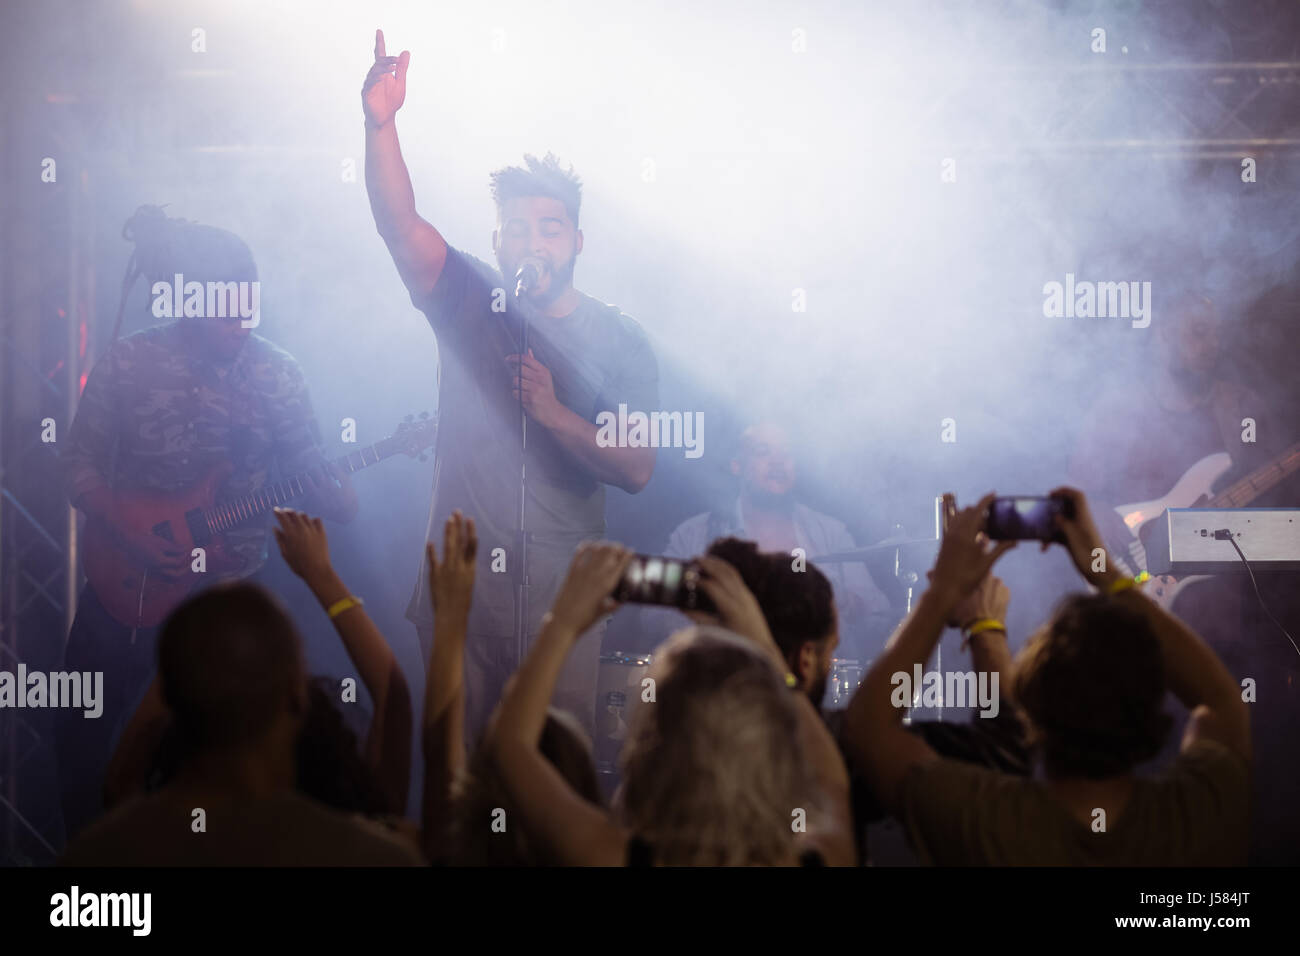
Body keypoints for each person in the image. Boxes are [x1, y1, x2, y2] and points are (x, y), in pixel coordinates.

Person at [362, 29, 657, 743]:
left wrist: (554, 414)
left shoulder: (620, 337)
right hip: (464, 595)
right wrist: (380, 125)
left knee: (553, 779)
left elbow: (638, 467)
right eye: (517, 229)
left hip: (563, 601)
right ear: (497, 242)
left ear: (578, 241)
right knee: (454, 779)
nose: (533, 242)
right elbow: (402, 227)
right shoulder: (469, 298)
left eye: (550, 228)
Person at [58, 206, 357, 841]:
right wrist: (125, 531)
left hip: (234, 589)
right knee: (80, 735)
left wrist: (340, 491)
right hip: (125, 579)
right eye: (225, 304)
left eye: (249, 303)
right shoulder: (127, 363)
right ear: (186, 299)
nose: (240, 318)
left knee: (234, 747)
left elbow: (315, 477)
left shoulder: (278, 374)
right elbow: (77, 466)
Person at [843, 489, 1251, 865]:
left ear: (1031, 703)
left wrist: (948, 592)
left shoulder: (988, 822)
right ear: (1155, 706)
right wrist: (1106, 573)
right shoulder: (1193, 814)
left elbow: (867, 729)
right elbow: (1219, 700)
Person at [482, 541, 857, 866]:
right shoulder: (828, 854)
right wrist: (763, 646)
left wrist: (562, 622)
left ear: (649, 742)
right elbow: (830, 778)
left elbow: (511, 744)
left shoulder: (608, 856)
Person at [59, 583, 422, 866]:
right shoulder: (372, 858)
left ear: (173, 699)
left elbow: (118, 785)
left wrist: (194, 652)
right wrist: (322, 576)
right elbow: (395, 701)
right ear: (297, 697)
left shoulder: (101, 857)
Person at [653, 422, 890, 659]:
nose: (778, 462)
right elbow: (652, 616)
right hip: (722, 679)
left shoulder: (830, 533)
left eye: (786, 454)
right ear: (737, 465)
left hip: (817, 686)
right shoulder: (695, 534)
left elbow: (879, 614)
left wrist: (843, 601)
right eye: (763, 452)